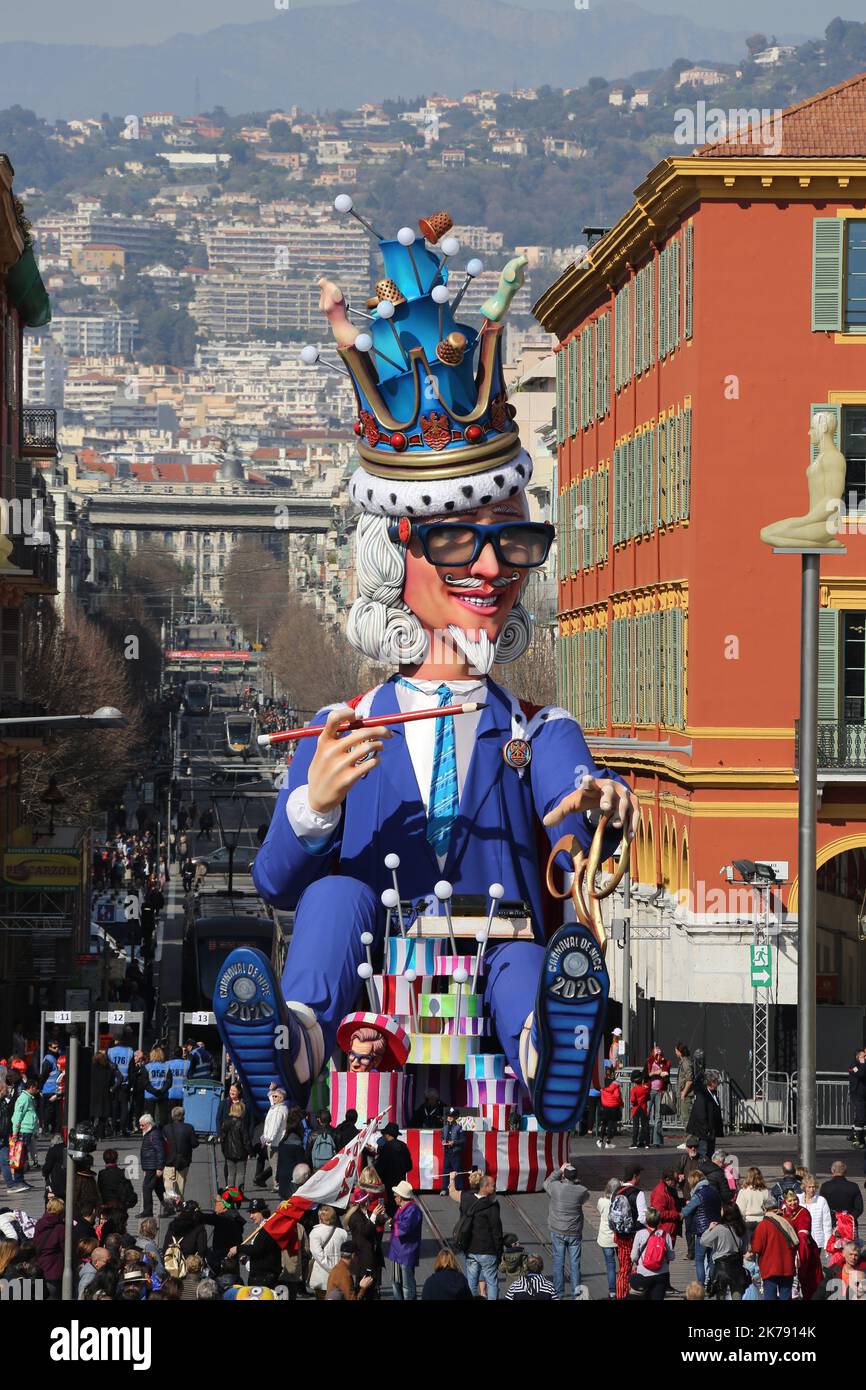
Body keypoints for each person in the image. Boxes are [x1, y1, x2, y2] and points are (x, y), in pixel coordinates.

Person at [213, 243, 639, 1136]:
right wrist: (314, 808)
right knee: (332, 899)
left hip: (495, 950)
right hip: (380, 968)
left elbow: (570, 798)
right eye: (456, 544)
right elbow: (276, 881)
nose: (491, 568)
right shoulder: (347, 725)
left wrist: (598, 803)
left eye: (514, 543)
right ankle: (292, 1042)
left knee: (527, 956)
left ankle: (545, 1052)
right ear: (392, 558)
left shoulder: (536, 725)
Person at [544, 1161, 589, 1300]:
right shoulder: (582, 1190)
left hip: (557, 1230)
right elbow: (585, 1199)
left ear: (564, 1175)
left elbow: (546, 1182)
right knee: (575, 1264)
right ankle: (577, 1295)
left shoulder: (556, 1187)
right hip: (574, 1232)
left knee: (558, 1262)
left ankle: (559, 1293)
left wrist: (559, 1170)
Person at [345, 1168, 387, 1294]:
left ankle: (370, 1284)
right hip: (375, 1230)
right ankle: (373, 1283)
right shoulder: (380, 1189)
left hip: (371, 1227)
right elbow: (385, 1201)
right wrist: (378, 1215)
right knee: (374, 1255)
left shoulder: (359, 1191)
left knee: (370, 1256)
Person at [751, 1194, 798, 1300]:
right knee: (786, 1297)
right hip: (787, 1267)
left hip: (770, 1268)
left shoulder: (763, 1225)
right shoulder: (788, 1222)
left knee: (770, 1297)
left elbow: (756, 1248)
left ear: (764, 1209)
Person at [464, 1174, 504, 1300]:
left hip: (471, 1249)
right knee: (492, 1282)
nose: (495, 1188)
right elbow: (496, 1231)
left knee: (471, 1283)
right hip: (488, 1251)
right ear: (485, 1187)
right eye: (493, 1186)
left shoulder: (468, 1200)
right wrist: (499, 1252)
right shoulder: (492, 1206)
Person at [609, 1165, 646, 1298]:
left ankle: (622, 1294)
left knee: (623, 1267)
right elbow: (642, 1218)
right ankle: (626, 1295)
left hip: (619, 1235)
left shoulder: (616, 1191)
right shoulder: (638, 1193)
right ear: (635, 1176)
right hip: (633, 1236)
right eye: (639, 1175)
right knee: (631, 1268)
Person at [680, 1169, 722, 1286]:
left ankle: (701, 1285)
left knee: (699, 1259)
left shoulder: (698, 1195)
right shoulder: (714, 1191)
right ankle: (711, 1284)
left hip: (702, 1232)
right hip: (715, 1229)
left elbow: (686, 1211)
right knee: (711, 1259)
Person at [781, 1187, 822, 1301]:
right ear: (785, 1202)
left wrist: (800, 1255)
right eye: (790, 1201)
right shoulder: (783, 1213)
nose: (793, 1203)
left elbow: (803, 1235)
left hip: (805, 1249)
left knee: (809, 1281)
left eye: (795, 1200)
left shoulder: (803, 1212)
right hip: (789, 1250)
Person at [701, 1205, 747, 1300]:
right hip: (737, 1264)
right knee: (737, 1293)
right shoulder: (741, 1228)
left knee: (721, 1294)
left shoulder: (719, 1228)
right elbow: (744, 1247)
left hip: (721, 1266)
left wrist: (709, 1229)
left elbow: (703, 1241)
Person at [630, 1207, 675, 1300]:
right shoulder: (665, 1235)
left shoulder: (640, 1234)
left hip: (643, 1274)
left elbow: (634, 1256)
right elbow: (671, 1256)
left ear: (646, 1220)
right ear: (659, 1222)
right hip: (661, 1274)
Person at [388, 1179, 423, 1300]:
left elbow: (405, 1228)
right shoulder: (403, 1207)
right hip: (398, 1251)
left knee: (407, 1284)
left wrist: (393, 1222)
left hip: (406, 1252)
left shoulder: (413, 1210)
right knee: (396, 1281)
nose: (394, 1197)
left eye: (395, 1195)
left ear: (401, 1197)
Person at [217, 1084, 253, 1189]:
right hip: (229, 1140)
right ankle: (232, 1190)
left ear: (239, 1092)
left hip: (242, 1138)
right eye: (230, 1089)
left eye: (234, 1090)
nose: (231, 1092)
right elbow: (218, 1119)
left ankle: (234, 1192)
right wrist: (220, 1135)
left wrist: (249, 1138)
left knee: (238, 1169)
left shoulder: (246, 1104)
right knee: (230, 1167)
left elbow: (251, 1122)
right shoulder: (224, 1103)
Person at [309, 1204, 348, 1298]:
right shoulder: (342, 1233)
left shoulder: (315, 1233)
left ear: (320, 1218)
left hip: (322, 1276)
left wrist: (331, 1270)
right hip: (340, 1274)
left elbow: (319, 1256)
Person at [162, 1105, 199, 1202]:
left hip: (169, 1161)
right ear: (183, 1116)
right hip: (183, 1161)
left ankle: (170, 1205)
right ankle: (179, 1204)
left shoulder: (166, 1128)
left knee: (168, 1186)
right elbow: (195, 1144)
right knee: (180, 1186)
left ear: (172, 1116)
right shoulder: (189, 1128)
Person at [374, 1123, 413, 1214]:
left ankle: (393, 1224)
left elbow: (379, 1168)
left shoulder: (384, 1147)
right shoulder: (403, 1146)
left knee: (389, 1208)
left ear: (387, 1134)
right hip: (400, 1182)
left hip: (387, 1183)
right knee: (400, 1208)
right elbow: (409, 1166)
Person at [686, 1070, 724, 1161]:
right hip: (703, 1131)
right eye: (716, 1081)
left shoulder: (713, 1093)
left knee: (710, 1151)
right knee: (704, 1152)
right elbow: (700, 1114)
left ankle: (707, 1170)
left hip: (711, 1130)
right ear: (711, 1082)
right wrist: (706, 1129)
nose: (718, 1083)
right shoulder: (702, 1094)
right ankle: (701, 1171)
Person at [10, 1079, 40, 1190]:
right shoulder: (24, 1098)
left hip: (27, 1131)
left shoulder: (28, 1098)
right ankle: (18, 1180)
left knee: (23, 1157)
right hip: (23, 1131)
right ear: (31, 1087)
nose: (37, 1091)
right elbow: (18, 1115)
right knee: (19, 1156)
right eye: (36, 1088)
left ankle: (21, 1180)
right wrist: (14, 1132)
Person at [34, 1196, 65, 1298]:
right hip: (53, 1272)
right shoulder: (61, 1228)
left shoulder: (39, 1223)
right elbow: (66, 1250)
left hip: (39, 1269)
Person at [138, 1113, 168, 1219]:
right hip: (150, 1166)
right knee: (159, 1187)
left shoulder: (153, 1134)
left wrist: (160, 1167)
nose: (140, 1127)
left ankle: (148, 1211)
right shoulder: (150, 1133)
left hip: (153, 1166)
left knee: (146, 1187)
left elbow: (160, 1151)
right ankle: (168, 1207)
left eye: (142, 1125)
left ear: (148, 1124)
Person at [820, 1160, 863, 1230]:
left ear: (832, 1171)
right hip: (850, 1224)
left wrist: (834, 1218)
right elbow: (859, 1208)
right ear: (845, 1172)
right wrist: (849, 1218)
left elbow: (822, 1206)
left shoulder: (825, 1186)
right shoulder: (853, 1186)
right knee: (850, 1241)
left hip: (832, 1224)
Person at [597, 1177, 619, 1299]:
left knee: (610, 1265)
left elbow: (600, 1210)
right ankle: (623, 1286)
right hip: (618, 1237)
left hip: (605, 1237)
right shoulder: (620, 1201)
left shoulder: (601, 1201)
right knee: (622, 1263)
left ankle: (612, 1291)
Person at [798, 1173, 833, 1251]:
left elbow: (827, 1223)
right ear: (804, 1187)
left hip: (816, 1240)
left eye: (813, 1187)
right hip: (800, 1239)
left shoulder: (821, 1200)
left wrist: (827, 1242)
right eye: (809, 1187)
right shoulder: (798, 1199)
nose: (812, 1189)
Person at [736, 1166, 770, 1242]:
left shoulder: (743, 1191)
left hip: (749, 1221)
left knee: (750, 1247)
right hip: (762, 1221)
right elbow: (769, 1207)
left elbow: (740, 1210)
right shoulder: (765, 1191)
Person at [646, 1044, 670, 1148]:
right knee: (646, 1114)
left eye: (660, 1054)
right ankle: (645, 1139)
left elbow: (665, 1073)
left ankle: (657, 1141)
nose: (659, 1057)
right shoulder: (650, 1062)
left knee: (658, 1116)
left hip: (660, 1091)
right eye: (657, 1054)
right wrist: (656, 1072)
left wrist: (662, 1072)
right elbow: (647, 1074)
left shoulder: (665, 1063)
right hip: (650, 1090)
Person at [650, 1171, 681, 1248]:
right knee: (663, 1256)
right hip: (664, 1230)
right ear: (669, 1180)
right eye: (676, 1180)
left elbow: (673, 1202)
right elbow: (659, 1213)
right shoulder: (660, 1192)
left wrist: (684, 1201)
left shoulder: (669, 1189)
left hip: (670, 1229)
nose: (677, 1183)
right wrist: (677, 1215)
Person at [441, 1107, 465, 1195]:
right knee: (446, 1170)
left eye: (452, 1116)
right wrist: (443, 1141)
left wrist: (454, 1143)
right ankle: (444, 1188)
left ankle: (459, 1188)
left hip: (455, 1152)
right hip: (447, 1152)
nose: (450, 1117)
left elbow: (463, 1140)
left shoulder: (459, 1128)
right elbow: (442, 1137)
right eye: (448, 1116)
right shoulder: (444, 1128)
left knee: (457, 1170)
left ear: (455, 1117)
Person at [674, 1043, 695, 1141]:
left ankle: (690, 1141)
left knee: (687, 1119)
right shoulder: (682, 1062)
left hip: (686, 1095)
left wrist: (684, 1092)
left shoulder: (686, 1062)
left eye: (676, 1051)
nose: (675, 1053)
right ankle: (688, 1140)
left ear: (680, 1051)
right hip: (683, 1094)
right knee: (685, 1118)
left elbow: (689, 1079)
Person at [598, 1069, 622, 1149]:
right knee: (611, 1124)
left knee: (604, 1124)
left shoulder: (602, 1084)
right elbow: (617, 1096)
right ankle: (608, 1142)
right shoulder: (615, 1085)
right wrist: (621, 1103)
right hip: (614, 1107)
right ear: (612, 1074)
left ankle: (600, 1141)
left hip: (605, 1106)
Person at [848, 1047, 866, 1147]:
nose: (865, 1058)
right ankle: (858, 1140)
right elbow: (861, 1074)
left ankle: (853, 1135)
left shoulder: (863, 1065)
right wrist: (863, 1063)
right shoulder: (853, 1066)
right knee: (861, 1117)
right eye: (864, 1056)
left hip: (863, 1095)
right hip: (857, 1095)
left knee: (861, 1116)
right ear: (858, 1057)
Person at [629, 1068, 650, 1150]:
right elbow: (648, 1098)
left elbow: (632, 1100)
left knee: (636, 1126)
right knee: (645, 1126)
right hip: (643, 1108)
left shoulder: (634, 1089)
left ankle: (634, 1143)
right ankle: (647, 1143)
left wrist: (633, 1103)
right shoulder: (645, 1089)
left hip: (636, 1108)